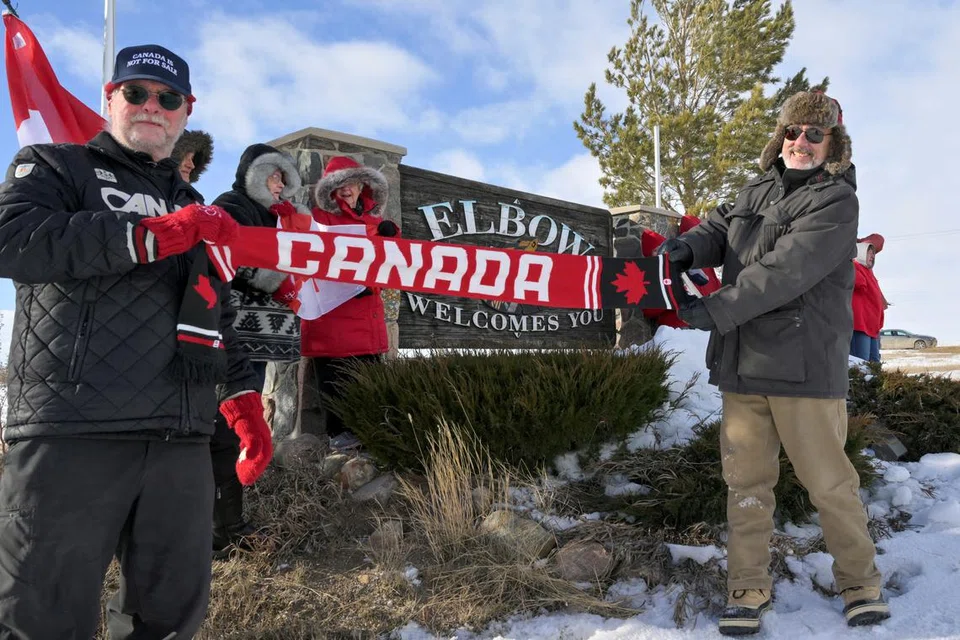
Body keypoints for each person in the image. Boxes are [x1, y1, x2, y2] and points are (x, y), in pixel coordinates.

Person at [0, 44, 272, 639]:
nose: (153, 105)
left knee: (169, 620)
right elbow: (13, 239)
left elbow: (217, 309)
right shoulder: (52, 166)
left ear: (185, 112)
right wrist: (148, 236)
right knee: (39, 620)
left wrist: (245, 396)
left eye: (168, 97)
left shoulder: (193, 204)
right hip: (73, 433)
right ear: (110, 99)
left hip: (180, 441)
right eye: (137, 92)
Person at [657, 91, 890, 635]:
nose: (800, 142)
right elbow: (718, 229)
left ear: (833, 142)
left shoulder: (835, 202)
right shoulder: (755, 188)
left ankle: (859, 584)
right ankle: (748, 588)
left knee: (829, 485)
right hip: (743, 364)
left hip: (804, 369)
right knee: (746, 483)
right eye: (792, 132)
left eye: (814, 134)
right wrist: (688, 248)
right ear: (779, 135)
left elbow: (785, 271)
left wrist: (714, 309)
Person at [209, 144, 308, 555]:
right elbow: (224, 256)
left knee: (233, 432)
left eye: (284, 178)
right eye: (272, 175)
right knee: (224, 431)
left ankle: (226, 524)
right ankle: (223, 529)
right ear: (253, 174)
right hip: (232, 336)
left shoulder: (281, 218)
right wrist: (273, 279)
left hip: (259, 336)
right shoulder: (231, 205)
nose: (279, 184)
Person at [296, 156, 398, 450]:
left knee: (369, 382)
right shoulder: (319, 219)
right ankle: (340, 439)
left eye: (349, 183)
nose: (344, 189)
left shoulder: (373, 221)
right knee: (335, 381)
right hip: (332, 316)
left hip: (366, 314)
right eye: (337, 185)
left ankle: (369, 437)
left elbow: (390, 264)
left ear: (360, 185)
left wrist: (392, 237)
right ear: (330, 189)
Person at [640, 214, 721, 329]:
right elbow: (649, 310)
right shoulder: (655, 277)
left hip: (710, 318)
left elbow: (715, 286)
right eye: (656, 250)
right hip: (683, 326)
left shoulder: (702, 263)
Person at [851, 233, 888, 362]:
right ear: (859, 252)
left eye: (873, 253)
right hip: (859, 325)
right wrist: (850, 244)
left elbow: (879, 239)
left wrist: (862, 242)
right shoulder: (852, 266)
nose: (872, 255)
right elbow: (858, 283)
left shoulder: (869, 272)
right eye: (869, 252)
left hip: (873, 327)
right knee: (862, 366)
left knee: (874, 366)